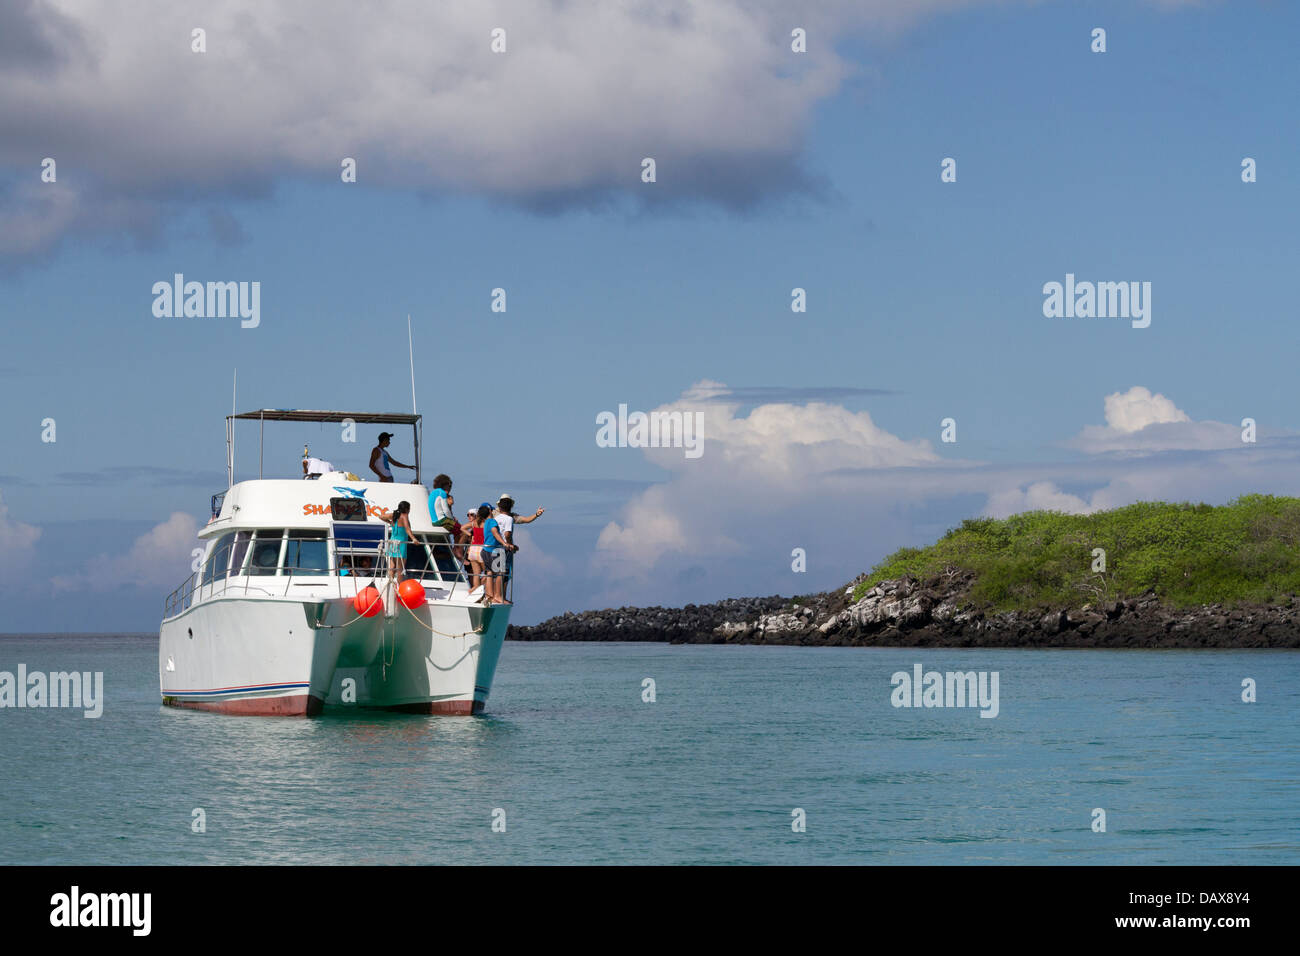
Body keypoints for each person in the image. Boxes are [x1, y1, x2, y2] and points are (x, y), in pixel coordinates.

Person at [492, 494, 542, 600]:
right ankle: (502, 597)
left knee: (495, 573)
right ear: (511, 505)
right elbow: (508, 534)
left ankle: (494, 596)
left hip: (494, 546)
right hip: (506, 548)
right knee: (505, 574)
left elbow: (526, 519)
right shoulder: (510, 517)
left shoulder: (493, 514)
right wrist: (511, 545)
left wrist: (536, 514)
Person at [381, 500, 415, 584]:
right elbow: (407, 529)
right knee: (400, 568)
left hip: (393, 544)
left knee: (392, 567)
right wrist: (414, 538)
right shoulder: (404, 516)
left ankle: (390, 585)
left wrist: (390, 522)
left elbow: (381, 516)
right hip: (401, 545)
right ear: (407, 509)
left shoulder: (395, 515)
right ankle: (399, 587)